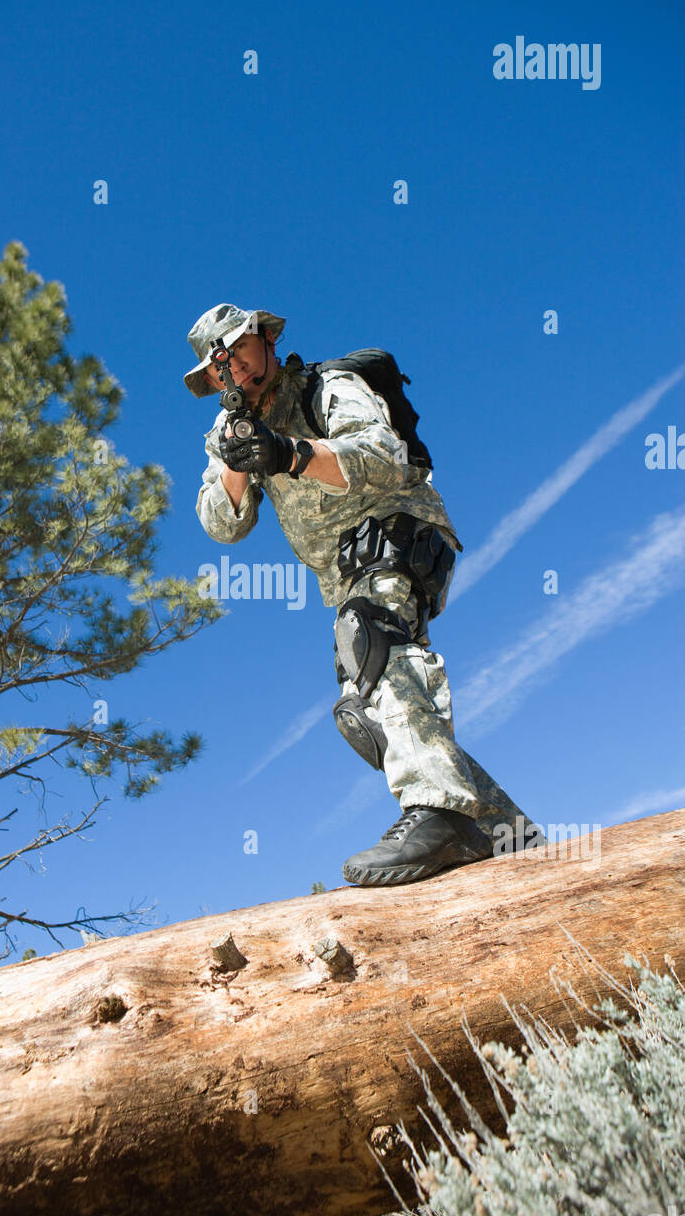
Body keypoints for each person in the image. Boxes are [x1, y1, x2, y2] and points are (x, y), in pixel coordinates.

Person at [188, 302, 544, 885]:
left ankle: (439, 811)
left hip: (396, 528)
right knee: (371, 712)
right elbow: (222, 526)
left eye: (242, 351)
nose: (237, 370)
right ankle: (508, 836)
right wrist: (235, 458)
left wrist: (289, 452)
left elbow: (383, 456)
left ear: (266, 340)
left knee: (372, 640)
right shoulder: (227, 430)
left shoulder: (327, 386)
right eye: (221, 365)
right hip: (347, 571)